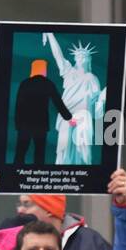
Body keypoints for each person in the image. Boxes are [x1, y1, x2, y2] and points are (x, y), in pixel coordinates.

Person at [45, 34, 106, 165]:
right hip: (68, 116)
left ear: (89, 59)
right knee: (64, 150)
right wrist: (50, 34)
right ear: (74, 59)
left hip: (84, 116)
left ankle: (86, 176)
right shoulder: (69, 72)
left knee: (84, 150)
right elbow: (58, 56)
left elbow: (97, 109)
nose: (81, 58)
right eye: (78, 56)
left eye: (84, 56)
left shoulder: (93, 78)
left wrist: (103, 96)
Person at [13, 58, 74, 166]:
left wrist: (18, 124)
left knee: (20, 153)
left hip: (24, 125)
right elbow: (58, 103)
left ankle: (15, 176)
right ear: (43, 69)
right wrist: (69, 118)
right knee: (39, 154)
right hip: (40, 124)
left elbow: (18, 106)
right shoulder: (48, 84)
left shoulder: (25, 83)